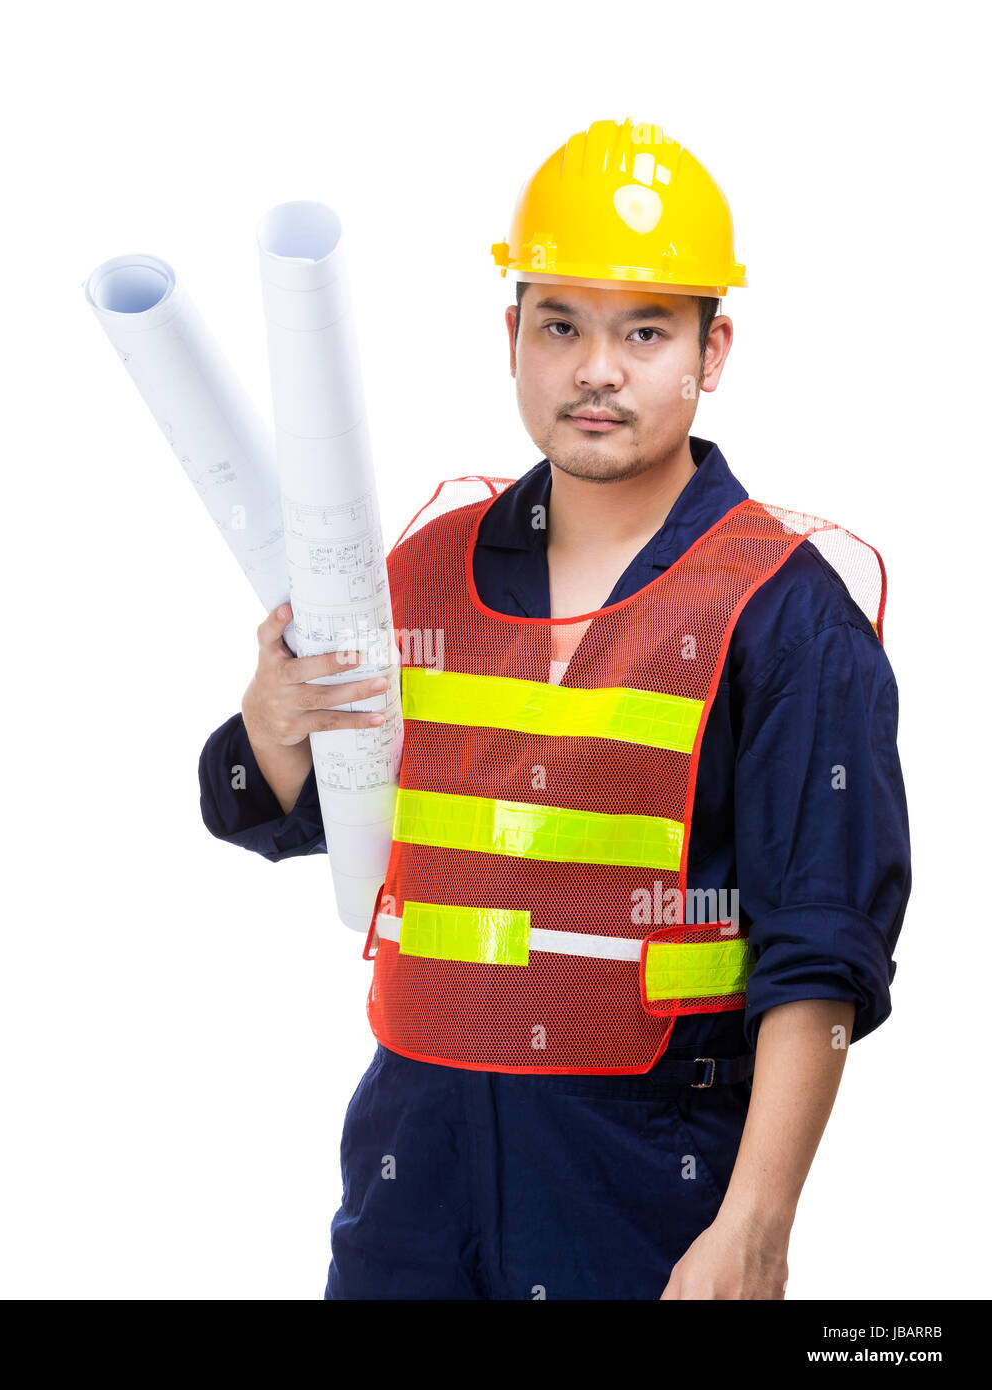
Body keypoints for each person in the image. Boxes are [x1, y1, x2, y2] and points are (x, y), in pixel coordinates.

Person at [198, 118, 911, 1299]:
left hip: (638, 1191)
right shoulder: (424, 571)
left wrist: (757, 1227)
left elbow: (822, 951)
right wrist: (273, 722)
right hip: (410, 1187)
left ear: (711, 349)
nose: (596, 369)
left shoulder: (784, 617)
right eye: (561, 324)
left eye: (644, 330)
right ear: (513, 336)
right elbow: (296, 811)